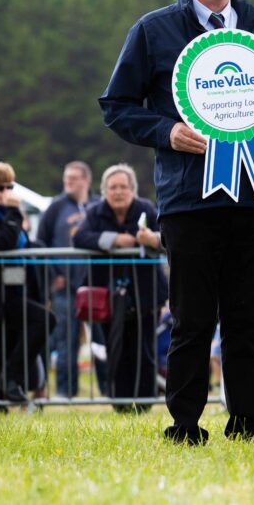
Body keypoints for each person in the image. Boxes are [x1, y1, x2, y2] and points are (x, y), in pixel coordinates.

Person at [99, 0, 254, 444]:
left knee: (246, 318)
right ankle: (184, 425)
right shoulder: (153, 31)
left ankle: (248, 422)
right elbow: (117, 107)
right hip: (189, 199)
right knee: (191, 320)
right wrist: (167, 132)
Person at [73, 164, 168, 411]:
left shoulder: (145, 208)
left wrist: (153, 240)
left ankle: (144, 403)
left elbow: (166, 237)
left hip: (145, 295)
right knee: (115, 351)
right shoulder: (95, 212)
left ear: (132, 190)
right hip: (106, 296)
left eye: (123, 187)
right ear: (104, 191)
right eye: (113, 187)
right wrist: (116, 240)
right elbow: (80, 238)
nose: (118, 192)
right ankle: (119, 403)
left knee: (144, 350)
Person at [0, 162, 54, 413]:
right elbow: (1, 244)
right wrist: (13, 215)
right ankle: (11, 378)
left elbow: (23, 243)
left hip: (16, 288)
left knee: (5, 343)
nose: (5, 192)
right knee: (44, 320)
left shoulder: (3, 212)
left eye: (9, 186)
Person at [36, 160, 97, 398]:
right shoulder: (56, 206)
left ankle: (110, 391)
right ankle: (65, 391)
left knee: (103, 340)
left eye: (73, 178)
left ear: (86, 180)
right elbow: (41, 242)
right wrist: (54, 274)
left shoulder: (97, 204)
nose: (68, 182)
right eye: (66, 178)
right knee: (66, 341)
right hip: (65, 286)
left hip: (95, 283)